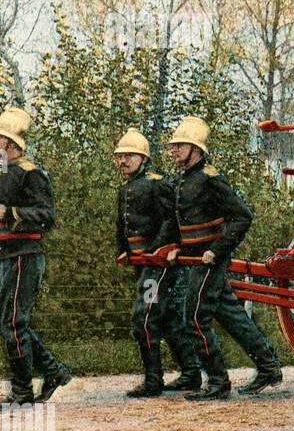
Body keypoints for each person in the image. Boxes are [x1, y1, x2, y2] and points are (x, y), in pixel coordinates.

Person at [166, 116, 284, 401]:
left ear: (197, 150)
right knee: (231, 315)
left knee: (194, 318)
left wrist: (217, 250)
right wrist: (176, 248)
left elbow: (242, 217)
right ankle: (269, 367)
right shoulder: (183, 180)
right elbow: (184, 224)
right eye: (174, 147)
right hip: (194, 259)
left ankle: (218, 381)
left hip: (210, 261)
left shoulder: (211, 179)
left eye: (180, 146)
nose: (174, 151)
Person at [0, 107, 74, 403]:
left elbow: (47, 214)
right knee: (6, 322)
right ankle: (53, 370)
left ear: (11, 145)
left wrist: (11, 213)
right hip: (3, 254)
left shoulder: (31, 173)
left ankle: (23, 391)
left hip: (24, 254)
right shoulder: (0, 169)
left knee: (12, 323)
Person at [112, 128, 203, 398]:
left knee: (145, 315)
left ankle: (153, 381)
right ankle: (191, 373)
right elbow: (122, 226)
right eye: (120, 156)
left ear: (143, 159)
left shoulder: (156, 183)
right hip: (143, 262)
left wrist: (155, 250)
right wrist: (123, 250)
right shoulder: (125, 188)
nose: (123, 161)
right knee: (168, 318)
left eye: (130, 156)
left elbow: (170, 221)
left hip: (158, 265)